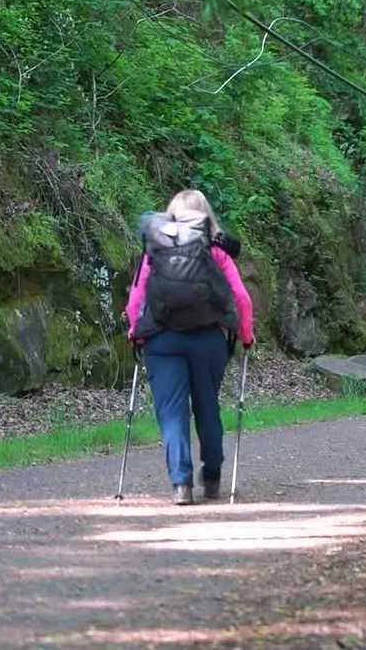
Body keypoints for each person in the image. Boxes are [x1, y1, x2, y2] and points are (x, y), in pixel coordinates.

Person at [125, 189, 254, 505]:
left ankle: (181, 484)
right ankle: (211, 477)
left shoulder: (155, 248)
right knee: (207, 407)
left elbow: (136, 300)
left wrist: (135, 332)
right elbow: (241, 299)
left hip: (161, 340)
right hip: (208, 341)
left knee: (172, 413)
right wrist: (246, 335)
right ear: (206, 217)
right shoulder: (217, 250)